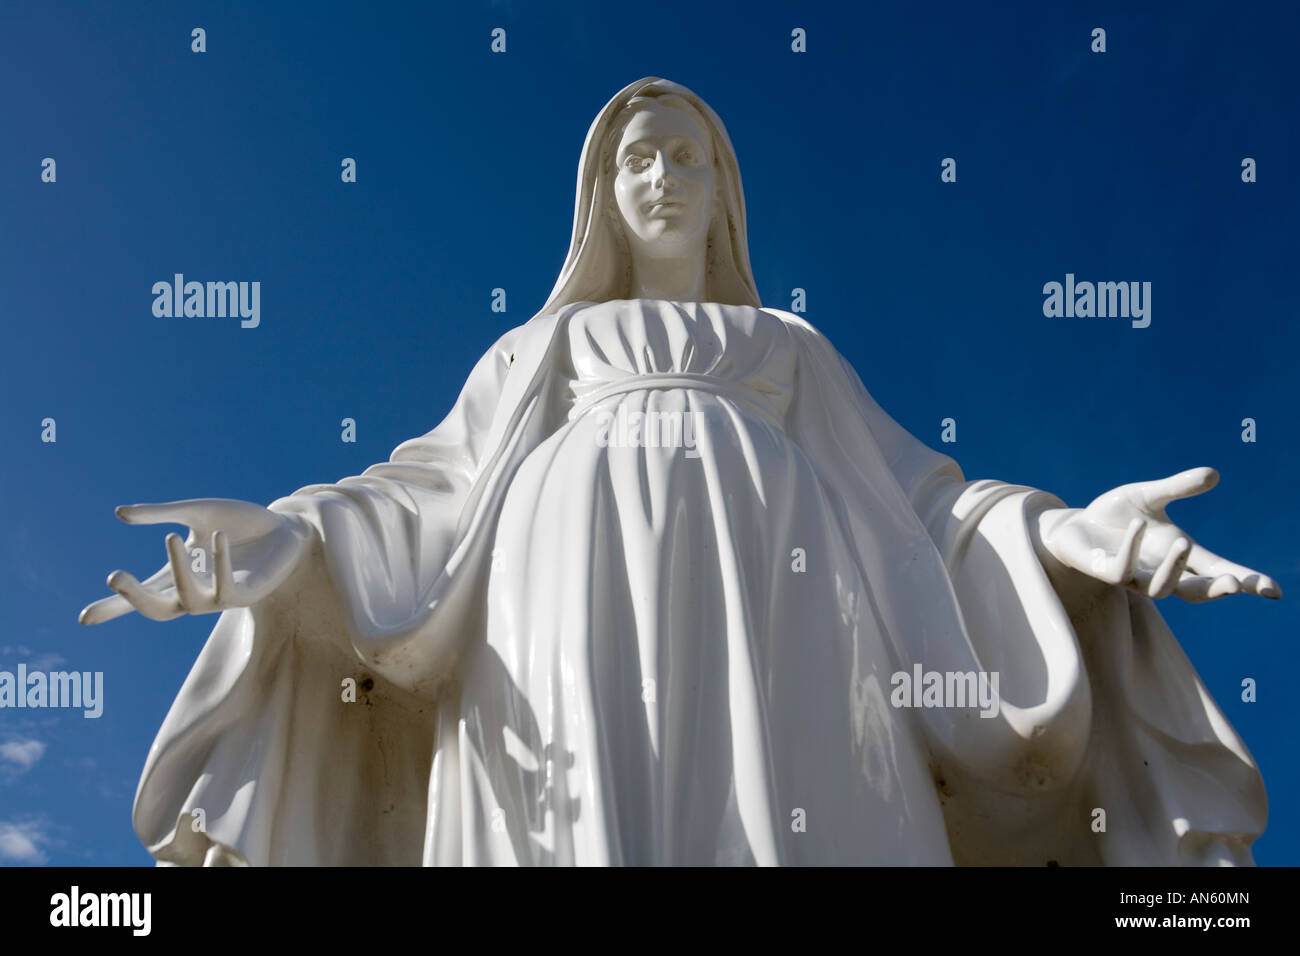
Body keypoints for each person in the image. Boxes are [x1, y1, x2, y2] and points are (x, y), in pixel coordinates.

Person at [82, 77, 1275, 866]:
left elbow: (927, 510)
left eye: (687, 158)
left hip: (785, 596)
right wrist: (282, 543)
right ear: (603, 192)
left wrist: (1082, 537)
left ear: (721, 193)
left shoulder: (787, 347)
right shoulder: (545, 346)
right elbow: (428, 493)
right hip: (555, 600)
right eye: (638, 159)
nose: (662, 177)